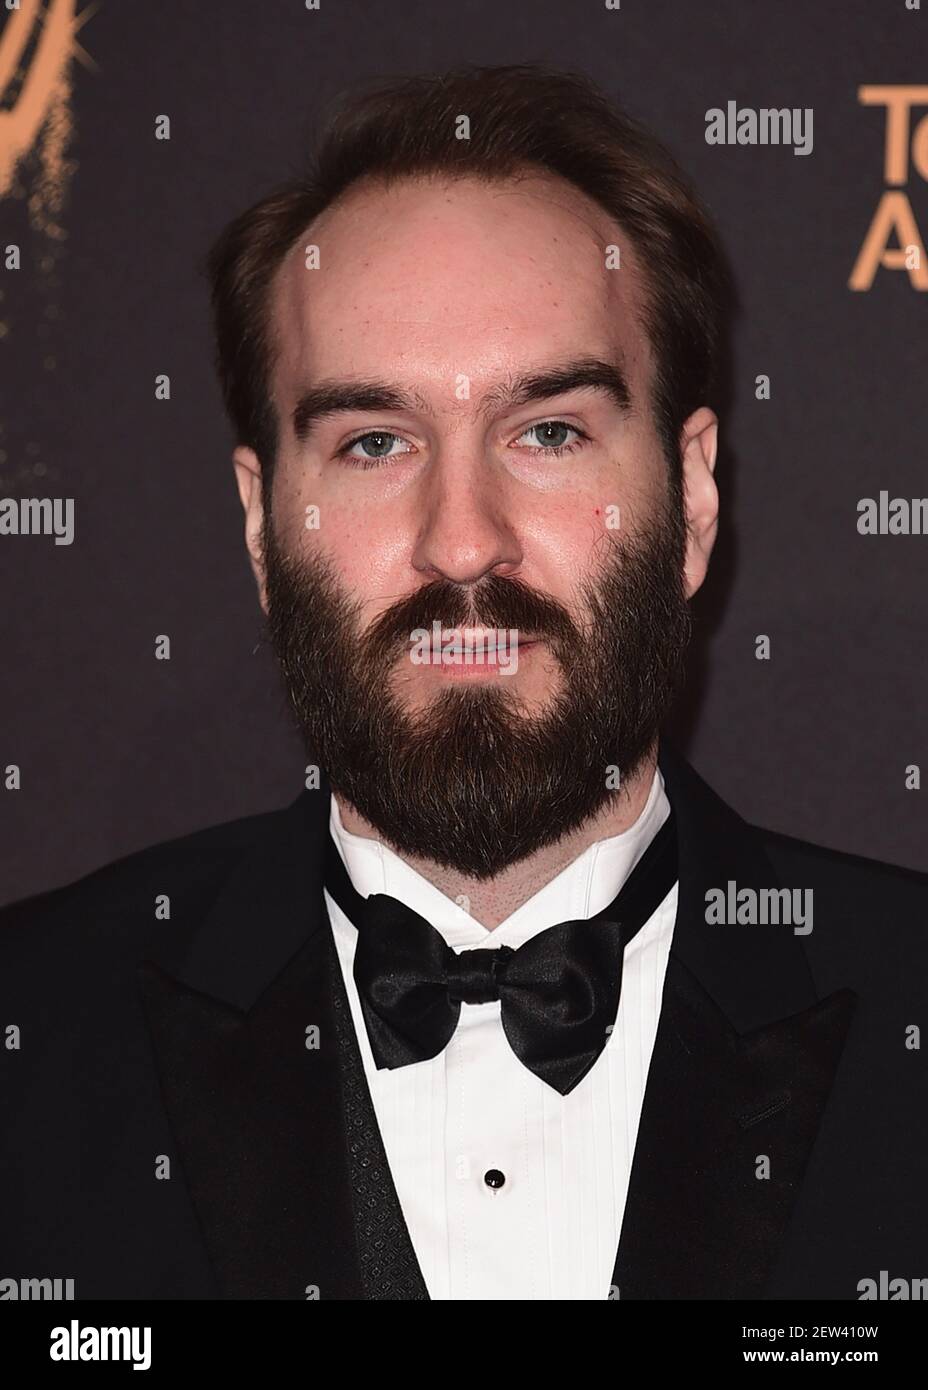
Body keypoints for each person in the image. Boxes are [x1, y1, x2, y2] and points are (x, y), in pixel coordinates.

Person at [2, 63, 926, 1302]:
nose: (462, 541)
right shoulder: (33, 1034)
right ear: (263, 526)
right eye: (374, 443)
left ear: (693, 499)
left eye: (548, 431)